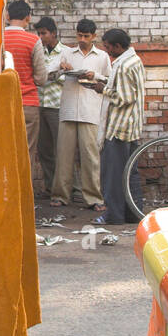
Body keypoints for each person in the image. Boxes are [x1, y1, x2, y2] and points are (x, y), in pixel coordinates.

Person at [83, 27, 146, 225]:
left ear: (118, 46)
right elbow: (121, 86)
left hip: (119, 128)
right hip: (132, 127)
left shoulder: (124, 65)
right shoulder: (133, 60)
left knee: (112, 174)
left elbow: (125, 98)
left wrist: (104, 90)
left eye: (108, 47)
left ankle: (113, 215)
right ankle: (132, 213)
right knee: (129, 174)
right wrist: (99, 79)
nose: (106, 50)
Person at [51, 18, 110, 209]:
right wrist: (62, 68)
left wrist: (95, 76)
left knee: (90, 156)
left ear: (94, 36)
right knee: (63, 156)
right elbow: (48, 75)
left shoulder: (102, 57)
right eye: (79, 35)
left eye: (86, 36)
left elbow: (109, 81)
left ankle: (93, 198)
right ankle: (60, 195)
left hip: (90, 110)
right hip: (68, 109)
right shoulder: (67, 53)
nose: (82, 39)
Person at [3, 0, 46, 168]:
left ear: (7, 16)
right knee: (25, 153)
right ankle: (23, 194)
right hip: (28, 104)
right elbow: (41, 78)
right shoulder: (33, 41)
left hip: (1, 103)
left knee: (3, 150)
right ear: (28, 18)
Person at [34, 16, 64, 199]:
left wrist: (53, 76)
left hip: (57, 105)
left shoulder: (66, 53)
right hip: (40, 104)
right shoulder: (38, 52)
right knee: (44, 149)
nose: (40, 37)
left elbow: (69, 76)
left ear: (53, 33)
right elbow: (37, 76)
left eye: (43, 33)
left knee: (61, 149)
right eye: (38, 33)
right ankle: (50, 187)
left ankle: (63, 190)